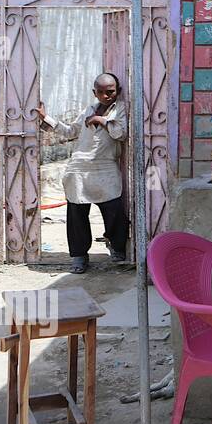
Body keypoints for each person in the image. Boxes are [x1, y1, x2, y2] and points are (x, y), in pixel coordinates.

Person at [38, 73, 129, 274]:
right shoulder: (88, 108)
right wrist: (46, 119)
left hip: (105, 166)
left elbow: (120, 134)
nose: (106, 96)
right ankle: (79, 256)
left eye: (110, 92)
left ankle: (117, 247)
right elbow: (71, 131)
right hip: (79, 168)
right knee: (77, 213)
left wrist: (100, 120)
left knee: (114, 211)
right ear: (94, 92)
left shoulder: (120, 109)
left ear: (118, 91)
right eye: (101, 92)